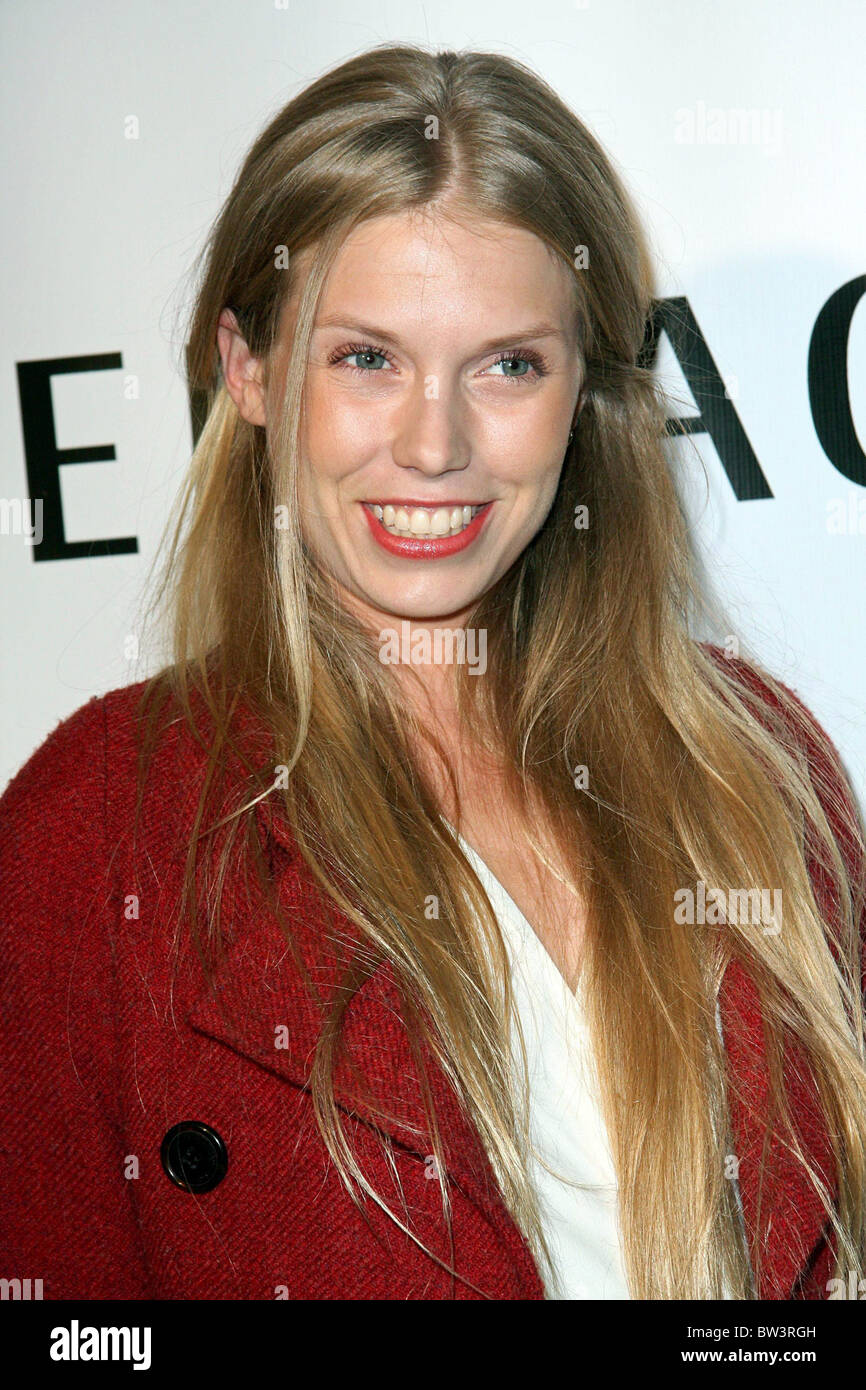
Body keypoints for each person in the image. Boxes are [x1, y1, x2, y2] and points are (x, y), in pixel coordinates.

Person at [1, 43, 865, 1302]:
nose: (434, 443)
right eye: (366, 359)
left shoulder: (750, 766)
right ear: (246, 370)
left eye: (508, 364)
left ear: (585, 391)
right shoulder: (94, 834)